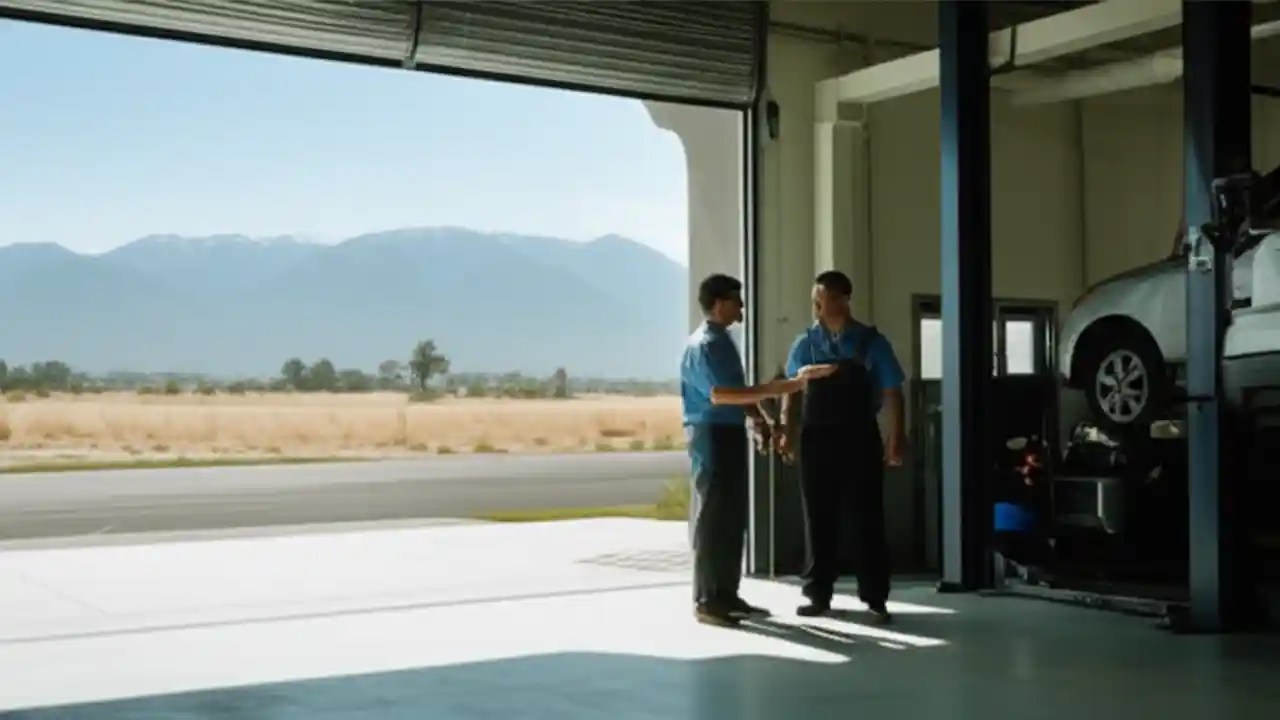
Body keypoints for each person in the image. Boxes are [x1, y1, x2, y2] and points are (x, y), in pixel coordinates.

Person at [681, 273, 834, 627]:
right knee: (715, 517)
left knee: (732, 516)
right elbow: (721, 394)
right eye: (737, 300)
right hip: (711, 433)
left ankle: (727, 594)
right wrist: (780, 387)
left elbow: (738, 391)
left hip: (730, 431)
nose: (742, 307)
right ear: (720, 304)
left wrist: (761, 419)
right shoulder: (705, 344)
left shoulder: (723, 342)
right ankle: (708, 599)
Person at [778, 270, 906, 623]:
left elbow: (893, 390)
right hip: (816, 439)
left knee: (866, 515)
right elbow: (790, 389)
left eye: (826, 299)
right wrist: (786, 430)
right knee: (818, 515)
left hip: (859, 436)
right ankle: (818, 594)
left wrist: (896, 436)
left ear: (844, 299)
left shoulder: (870, 342)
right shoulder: (805, 343)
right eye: (815, 300)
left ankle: (875, 596)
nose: (819, 306)